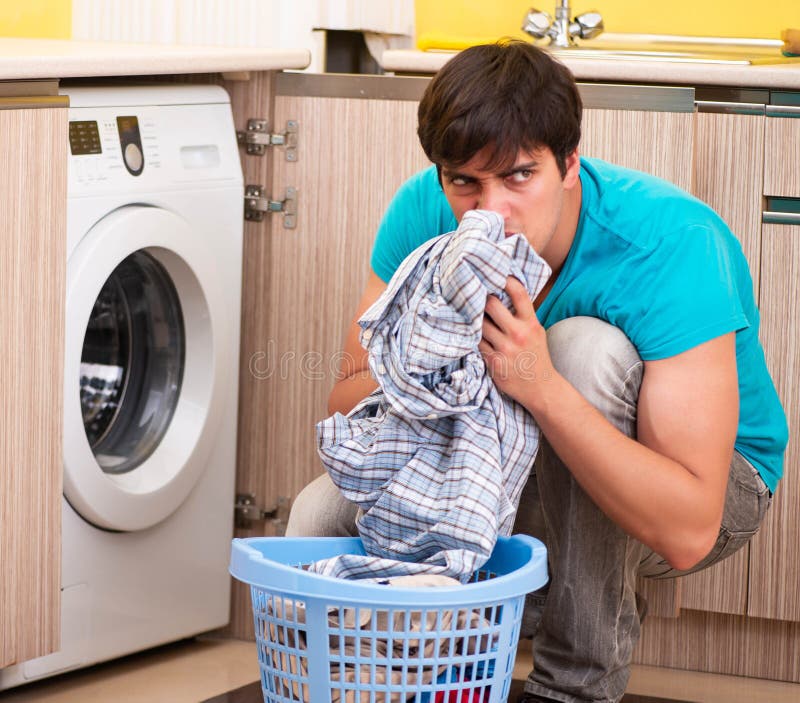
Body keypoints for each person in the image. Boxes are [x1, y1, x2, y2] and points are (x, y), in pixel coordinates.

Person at [285, 40, 787, 703]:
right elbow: (346, 400)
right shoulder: (425, 213)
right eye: (463, 180)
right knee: (318, 514)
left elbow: (689, 529)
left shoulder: (672, 243)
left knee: (582, 350)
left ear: (569, 164)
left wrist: (538, 382)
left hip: (710, 487)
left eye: (520, 176)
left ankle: (574, 684)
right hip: (502, 458)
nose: (489, 210)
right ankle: (389, 682)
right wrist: (430, 356)